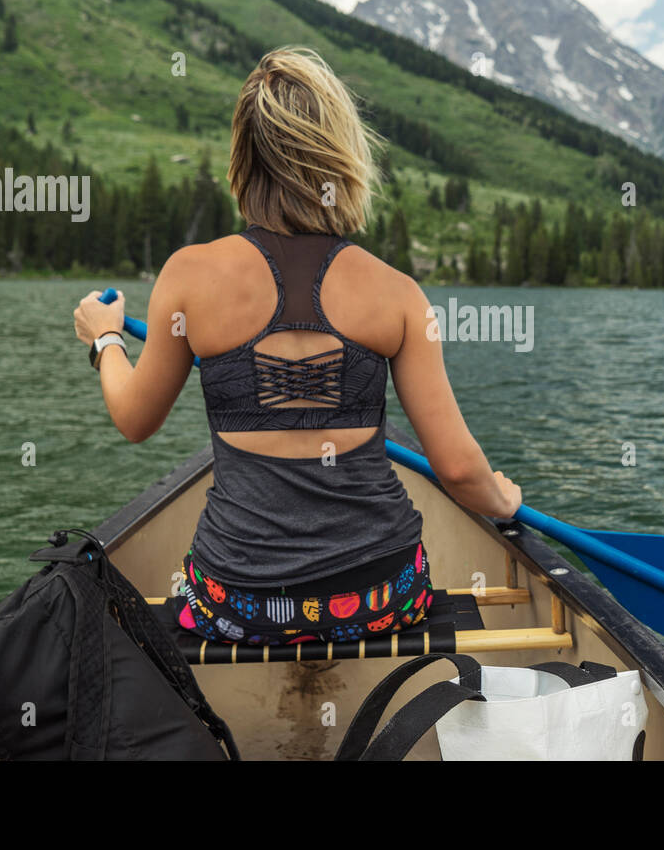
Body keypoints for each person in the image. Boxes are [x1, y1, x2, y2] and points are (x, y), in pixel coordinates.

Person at [71, 45, 520, 646]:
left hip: (239, 603)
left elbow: (134, 418)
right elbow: (461, 470)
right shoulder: (398, 294)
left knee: (195, 584)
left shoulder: (188, 276)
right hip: (379, 595)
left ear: (244, 158)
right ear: (341, 156)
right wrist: (505, 500)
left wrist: (104, 338)